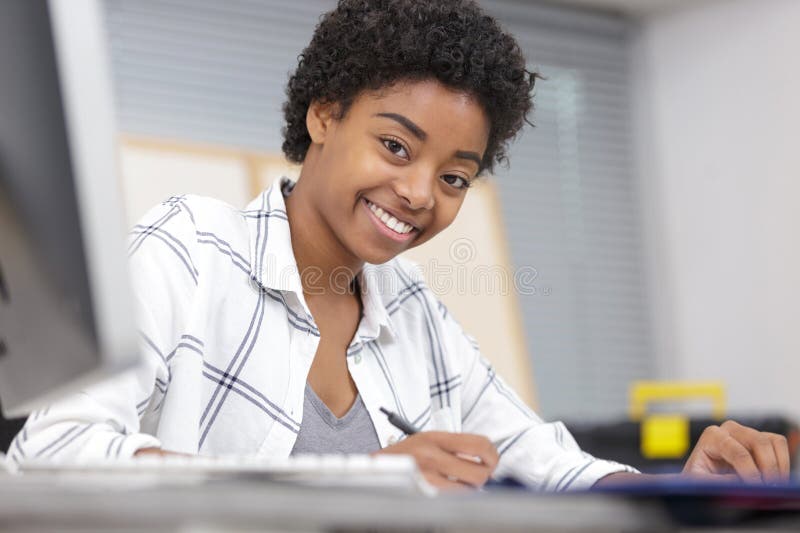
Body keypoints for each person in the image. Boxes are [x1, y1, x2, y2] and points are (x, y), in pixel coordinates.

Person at [7, 0, 789, 490]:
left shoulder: (414, 315)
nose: (421, 193)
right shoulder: (186, 252)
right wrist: (349, 481)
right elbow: (54, 454)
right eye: (395, 146)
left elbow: (543, 462)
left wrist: (675, 488)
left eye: (455, 177)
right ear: (323, 115)